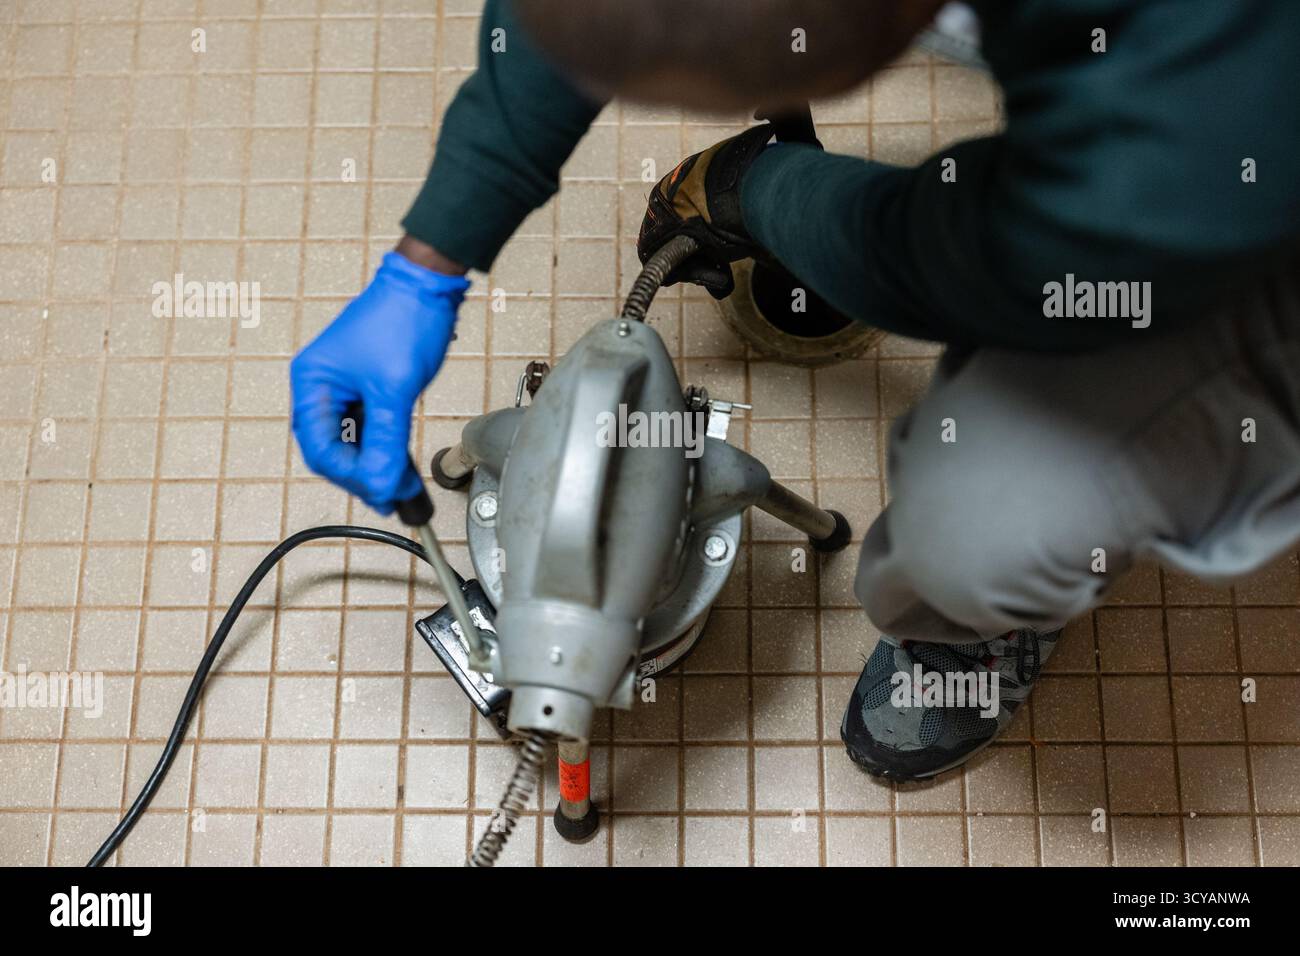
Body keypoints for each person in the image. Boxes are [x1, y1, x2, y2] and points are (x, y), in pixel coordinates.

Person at [290, 0, 1300, 781]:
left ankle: (971, 619)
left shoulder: (1183, 136)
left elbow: (955, 259)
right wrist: (426, 263)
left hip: (1249, 229)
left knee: (989, 518)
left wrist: (754, 189)